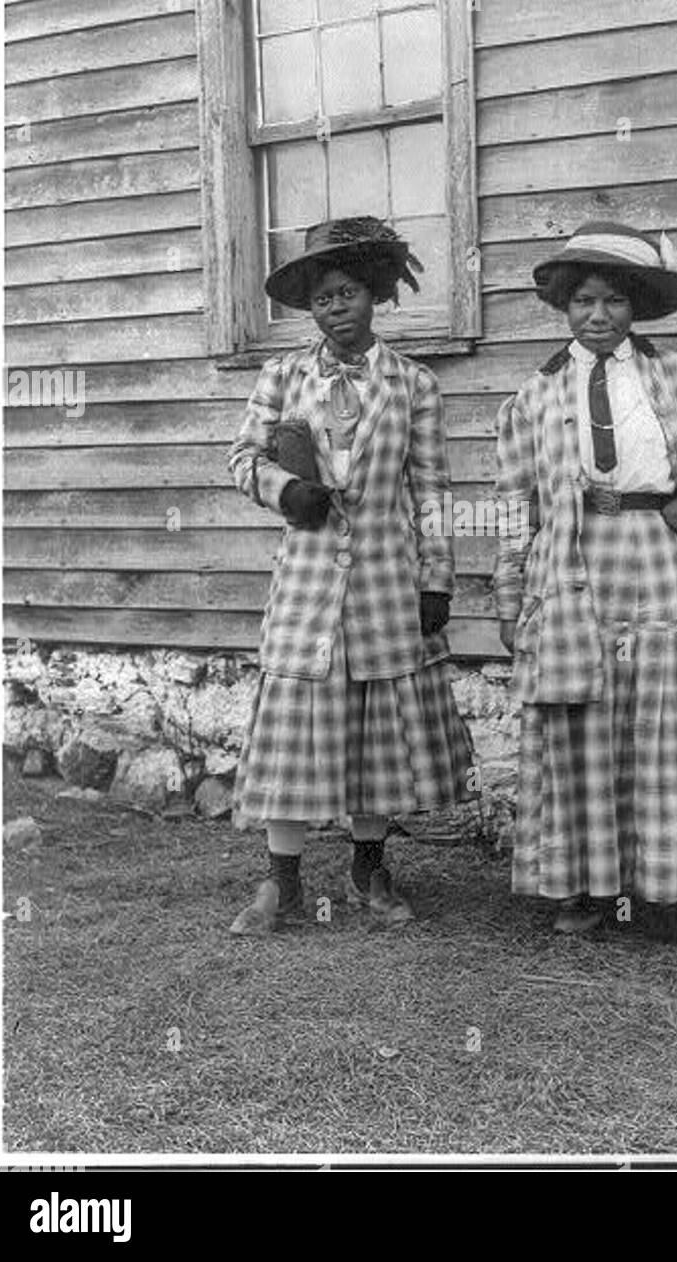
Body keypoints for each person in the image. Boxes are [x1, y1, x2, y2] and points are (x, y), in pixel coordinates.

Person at [493, 220, 677, 960]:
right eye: (584, 301)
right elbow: (514, 506)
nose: (598, 316)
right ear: (564, 306)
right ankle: (591, 891)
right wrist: (509, 598)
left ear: (636, 307)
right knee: (583, 731)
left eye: (614, 301)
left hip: (663, 556)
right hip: (571, 568)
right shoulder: (532, 398)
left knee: (674, 734)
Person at [228, 216, 472, 934]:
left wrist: (437, 580)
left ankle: (370, 867)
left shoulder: (413, 386)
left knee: (375, 731)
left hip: (384, 579)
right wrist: (284, 491)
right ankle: (283, 884)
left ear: (377, 296)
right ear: (311, 307)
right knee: (293, 731)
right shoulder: (281, 377)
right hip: (306, 578)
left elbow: (432, 489)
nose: (337, 308)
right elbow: (243, 458)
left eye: (350, 293)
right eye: (323, 297)